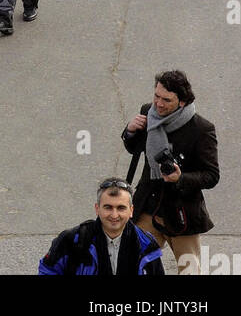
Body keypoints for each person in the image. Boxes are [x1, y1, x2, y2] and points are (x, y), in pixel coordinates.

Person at [121, 70, 220, 274]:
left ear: (182, 102)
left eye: (166, 99)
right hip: (148, 207)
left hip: (182, 213)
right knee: (134, 266)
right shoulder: (149, 112)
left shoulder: (202, 129)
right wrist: (130, 131)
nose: (159, 104)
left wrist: (180, 178)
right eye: (156, 96)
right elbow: (137, 148)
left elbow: (211, 175)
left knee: (189, 271)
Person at [38, 179, 165, 276]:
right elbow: (47, 270)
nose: (114, 215)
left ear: (131, 210)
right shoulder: (71, 240)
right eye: (108, 207)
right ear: (97, 209)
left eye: (121, 208)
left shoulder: (147, 244)